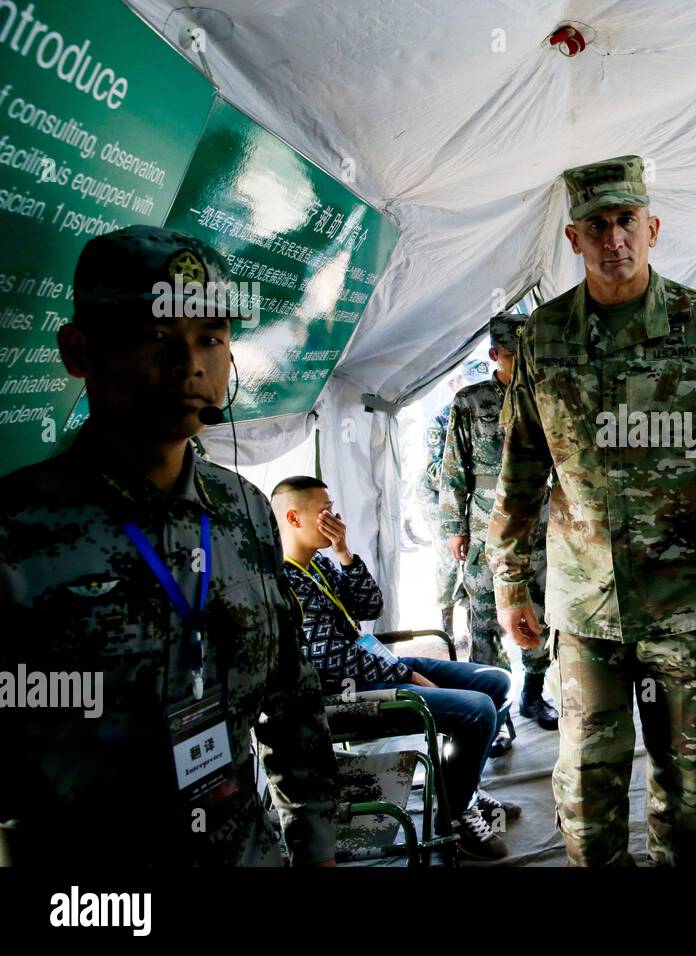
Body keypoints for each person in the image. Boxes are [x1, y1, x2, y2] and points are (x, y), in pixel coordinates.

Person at [487, 155, 696, 866]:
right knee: (585, 784)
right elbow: (519, 469)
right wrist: (509, 578)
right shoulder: (543, 339)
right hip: (587, 607)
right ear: (575, 239)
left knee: (687, 787)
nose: (615, 239)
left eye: (627, 222)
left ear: (653, 228)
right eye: (598, 226)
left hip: (691, 601)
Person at [0, 226, 338, 865]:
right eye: (155, 336)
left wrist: (315, 844)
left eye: (211, 337)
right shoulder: (18, 530)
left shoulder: (244, 510)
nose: (191, 365)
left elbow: (292, 697)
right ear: (79, 351)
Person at [272, 475, 518, 860]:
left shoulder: (319, 563)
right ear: (293, 517)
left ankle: (460, 786)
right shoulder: (283, 583)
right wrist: (404, 675)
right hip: (344, 692)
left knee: (495, 682)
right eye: (325, 512)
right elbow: (328, 661)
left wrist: (344, 552)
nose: (335, 518)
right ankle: (455, 817)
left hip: (374, 668)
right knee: (477, 712)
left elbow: (370, 608)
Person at [441, 315, 558, 742]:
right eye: (515, 355)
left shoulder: (549, 398)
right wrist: (455, 527)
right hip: (486, 530)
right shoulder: (469, 402)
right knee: (486, 621)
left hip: (541, 530)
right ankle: (495, 711)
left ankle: (533, 694)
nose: (526, 364)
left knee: (541, 614)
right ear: (495, 355)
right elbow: (454, 469)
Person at [420, 357, 491, 637]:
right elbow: (434, 471)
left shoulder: (489, 413)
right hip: (438, 497)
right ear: (456, 384)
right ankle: (446, 623)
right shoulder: (440, 418)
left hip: (473, 496)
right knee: (450, 558)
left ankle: (473, 619)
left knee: (477, 559)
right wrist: (464, 467)